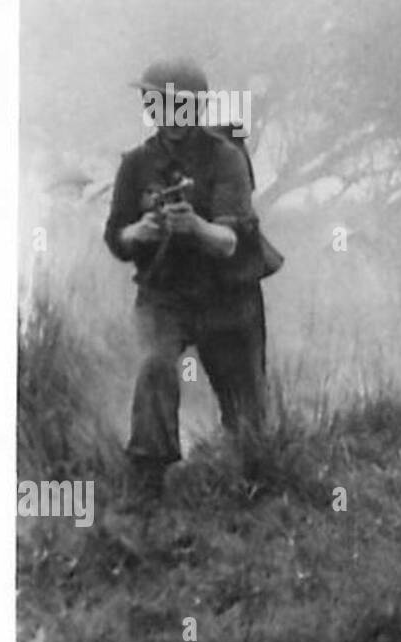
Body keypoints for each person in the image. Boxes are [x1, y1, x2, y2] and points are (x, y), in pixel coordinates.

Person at [104, 59, 281, 513]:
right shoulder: (137, 164)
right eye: (153, 102)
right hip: (165, 295)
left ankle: (252, 498)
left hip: (229, 297)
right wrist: (137, 233)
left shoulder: (226, 159)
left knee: (248, 422)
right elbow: (116, 237)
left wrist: (193, 227)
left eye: (168, 102)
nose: (158, 110)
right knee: (155, 367)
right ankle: (147, 487)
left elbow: (228, 242)